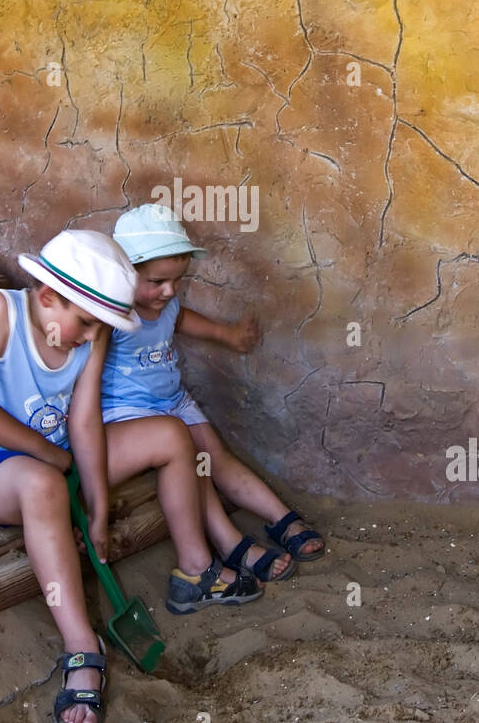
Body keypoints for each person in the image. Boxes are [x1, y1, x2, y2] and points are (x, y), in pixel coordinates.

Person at [0, 229, 259, 723]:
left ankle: (196, 571)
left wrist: (95, 509)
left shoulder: (93, 332)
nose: (93, 337)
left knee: (171, 434)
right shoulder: (0, 311)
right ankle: (82, 648)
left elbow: (85, 419)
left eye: (101, 327)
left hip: (60, 456)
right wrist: (49, 456)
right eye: (87, 323)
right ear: (48, 296)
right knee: (46, 485)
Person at [101, 204, 325, 589]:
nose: (168, 292)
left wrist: (227, 334)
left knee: (214, 454)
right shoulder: (111, 314)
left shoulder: (164, 303)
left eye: (177, 281)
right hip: (129, 414)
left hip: (173, 401)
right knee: (191, 457)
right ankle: (230, 543)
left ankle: (281, 518)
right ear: (125, 271)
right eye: (157, 281)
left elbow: (180, 317)